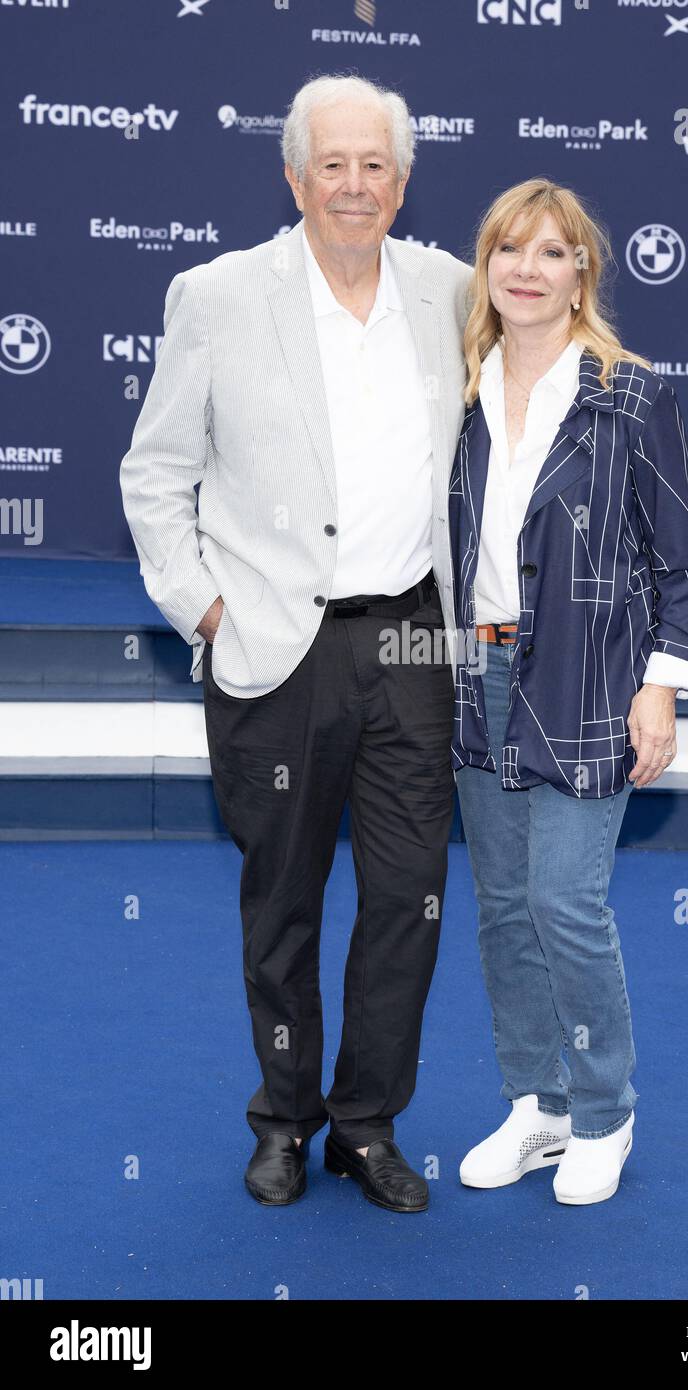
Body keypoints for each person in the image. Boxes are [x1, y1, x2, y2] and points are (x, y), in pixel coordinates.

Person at [119, 75, 472, 1213]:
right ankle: (283, 1116)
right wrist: (208, 610)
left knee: (409, 894)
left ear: (403, 182)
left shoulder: (451, 293)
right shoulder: (218, 297)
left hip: (413, 641)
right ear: (292, 176)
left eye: (375, 166)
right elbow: (154, 474)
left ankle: (365, 1124)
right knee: (280, 899)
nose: (354, 185)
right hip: (276, 646)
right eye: (333, 165)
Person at [450, 178, 688, 1204]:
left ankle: (603, 1111)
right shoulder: (460, 388)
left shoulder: (630, 392)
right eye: (508, 249)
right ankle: (537, 1106)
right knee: (503, 911)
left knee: (565, 901)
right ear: (486, 268)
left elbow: (684, 563)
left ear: (581, 276)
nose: (526, 268)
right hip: (476, 672)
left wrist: (661, 687)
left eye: (551, 252)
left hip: (588, 676)